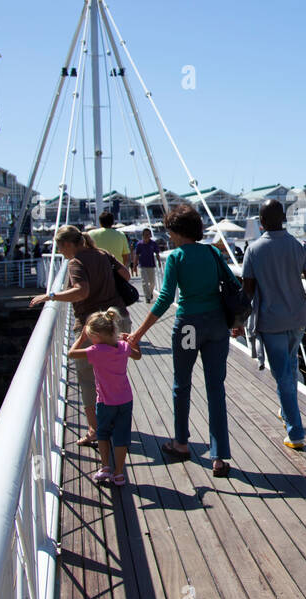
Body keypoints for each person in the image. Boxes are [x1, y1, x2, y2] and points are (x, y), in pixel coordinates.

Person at [125, 202, 236, 477]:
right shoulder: (213, 252)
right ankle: (220, 457)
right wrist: (238, 322)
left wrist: (139, 333)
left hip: (188, 327)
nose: (169, 236)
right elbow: (233, 286)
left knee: (182, 384)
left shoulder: (176, 257)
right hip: (217, 327)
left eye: (170, 231)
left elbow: (164, 299)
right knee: (215, 389)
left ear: (176, 230)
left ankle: (181, 442)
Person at [239, 198, 306, 451]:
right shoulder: (299, 246)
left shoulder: (253, 250)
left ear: (262, 222)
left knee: (283, 377)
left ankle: (296, 432)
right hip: (298, 320)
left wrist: (236, 321)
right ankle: (285, 409)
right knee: (289, 368)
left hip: (271, 322)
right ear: (284, 219)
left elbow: (247, 292)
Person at [30, 226, 133, 447]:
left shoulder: (75, 261)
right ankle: (114, 423)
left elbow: (82, 291)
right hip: (118, 318)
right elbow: (126, 274)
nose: (60, 252)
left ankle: (96, 430)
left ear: (67, 244)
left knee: (88, 380)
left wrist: (51, 296)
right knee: (113, 374)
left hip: (92, 326)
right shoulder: (103, 254)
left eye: (59, 247)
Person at [68, 308, 142, 486]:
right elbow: (138, 356)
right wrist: (132, 341)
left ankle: (106, 466)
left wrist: (81, 338)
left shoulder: (95, 350)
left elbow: (71, 354)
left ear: (97, 335)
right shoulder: (123, 347)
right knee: (121, 436)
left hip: (105, 401)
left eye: (91, 335)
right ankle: (118, 473)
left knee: (103, 432)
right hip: (125, 399)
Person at [132, 227, 161, 302]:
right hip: (142, 266)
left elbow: (157, 253)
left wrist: (159, 262)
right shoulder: (139, 244)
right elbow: (137, 255)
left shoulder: (153, 243)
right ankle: (147, 297)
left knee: (152, 283)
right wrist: (134, 266)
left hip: (151, 265)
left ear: (150, 235)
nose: (146, 236)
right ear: (142, 235)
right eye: (145, 234)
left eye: (148, 234)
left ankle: (150, 293)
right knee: (144, 282)